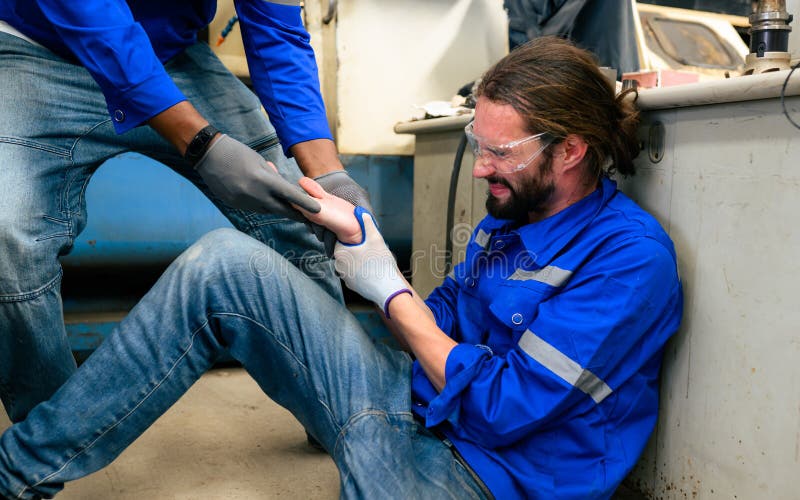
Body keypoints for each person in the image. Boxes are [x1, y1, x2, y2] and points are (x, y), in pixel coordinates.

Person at [0, 37, 682, 499]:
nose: (480, 168)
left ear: (570, 151)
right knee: (223, 264)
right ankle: (19, 472)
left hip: (477, 479)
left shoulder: (627, 261)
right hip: (417, 415)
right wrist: (353, 248)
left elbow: (505, 408)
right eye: (480, 144)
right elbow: (437, 326)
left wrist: (385, 286)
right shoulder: (514, 218)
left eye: (500, 153)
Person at [0, 1, 370, 424]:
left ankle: (348, 416)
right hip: (37, 50)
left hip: (170, 55)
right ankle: (49, 440)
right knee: (7, 234)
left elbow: (276, 27)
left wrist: (327, 174)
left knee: (305, 218)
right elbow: (91, 15)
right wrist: (202, 142)